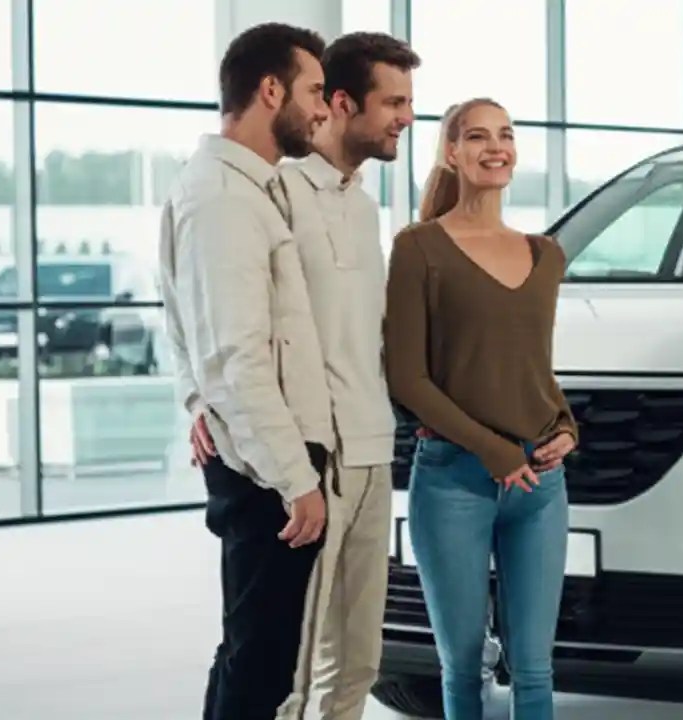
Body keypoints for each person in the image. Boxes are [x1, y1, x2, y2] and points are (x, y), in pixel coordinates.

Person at [186, 32, 421, 720]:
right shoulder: (274, 189)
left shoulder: (367, 204)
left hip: (374, 447)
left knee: (359, 661)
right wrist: (199, 396)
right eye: (395, 102)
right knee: (290, 662)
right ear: (343, 103)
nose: (407, 118)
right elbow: (207, 305)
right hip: (316, 454)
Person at [157, 22, 334, 720]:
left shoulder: (241, 187)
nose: (323, 108)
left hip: (260, 454)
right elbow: (236, 356)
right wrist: (297, 480)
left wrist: (195, 397)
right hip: (268, 469)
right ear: (270, 90)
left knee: (252, 652)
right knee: (261, 666)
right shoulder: (225, 199)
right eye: (314, 91)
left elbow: (186, 329)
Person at [383, 98, 578, 720]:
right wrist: (492, 451)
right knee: (463, 666)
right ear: (451, 152)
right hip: (452, 482)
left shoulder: (546, 254)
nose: (495, 147)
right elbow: (406, 376)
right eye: (476, 136)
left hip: (541, 484)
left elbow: (530, 368)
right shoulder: (418, 248)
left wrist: (567, 426)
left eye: (506, 135)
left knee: (536, 669)